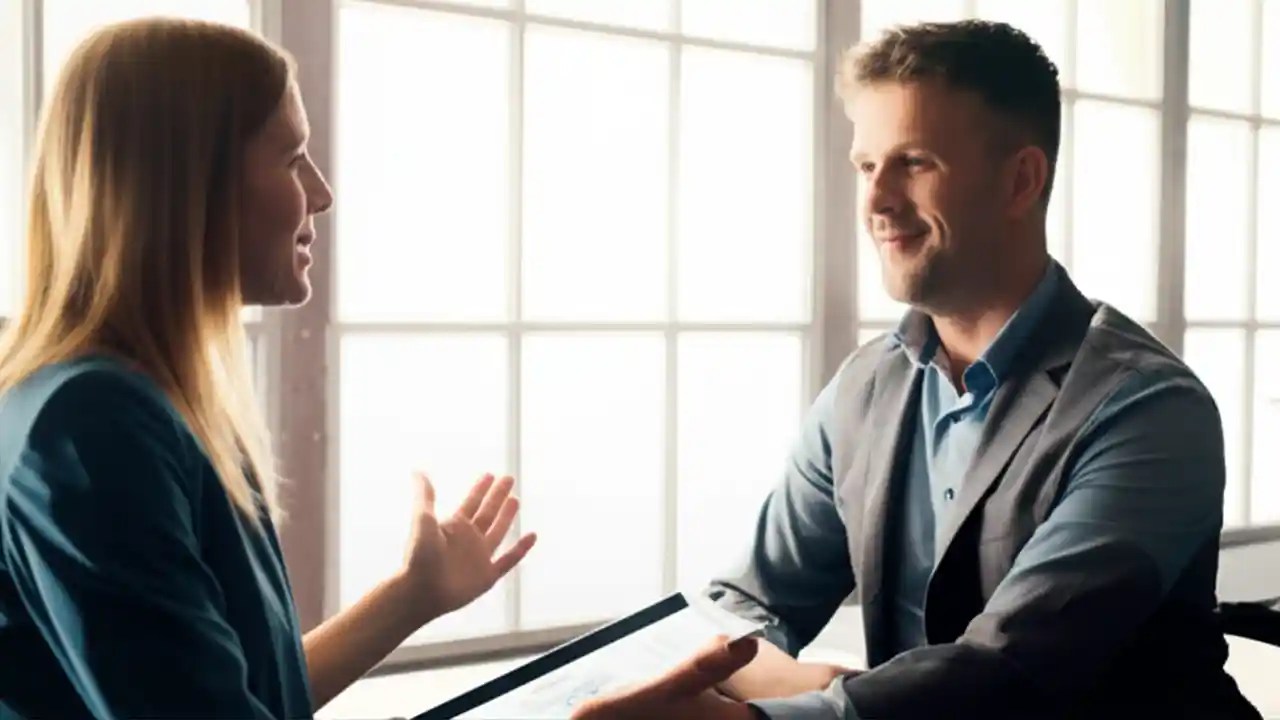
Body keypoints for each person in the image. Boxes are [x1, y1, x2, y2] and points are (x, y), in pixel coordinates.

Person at [584, 19, 1264, 720]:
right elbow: (752, 600)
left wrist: (766, 714)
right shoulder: (865, 386)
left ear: (1020, 180)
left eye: (913, 162)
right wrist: (763, 676)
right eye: (865, 165)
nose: (876, 201)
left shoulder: (1148, 409)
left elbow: (1010, 671)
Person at [0, 18, 545, 718]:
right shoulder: (90, 426)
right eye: (291, 159)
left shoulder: (141, 403)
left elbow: (234, 696)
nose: (321, 194)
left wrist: (412, 595)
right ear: (187, 184)